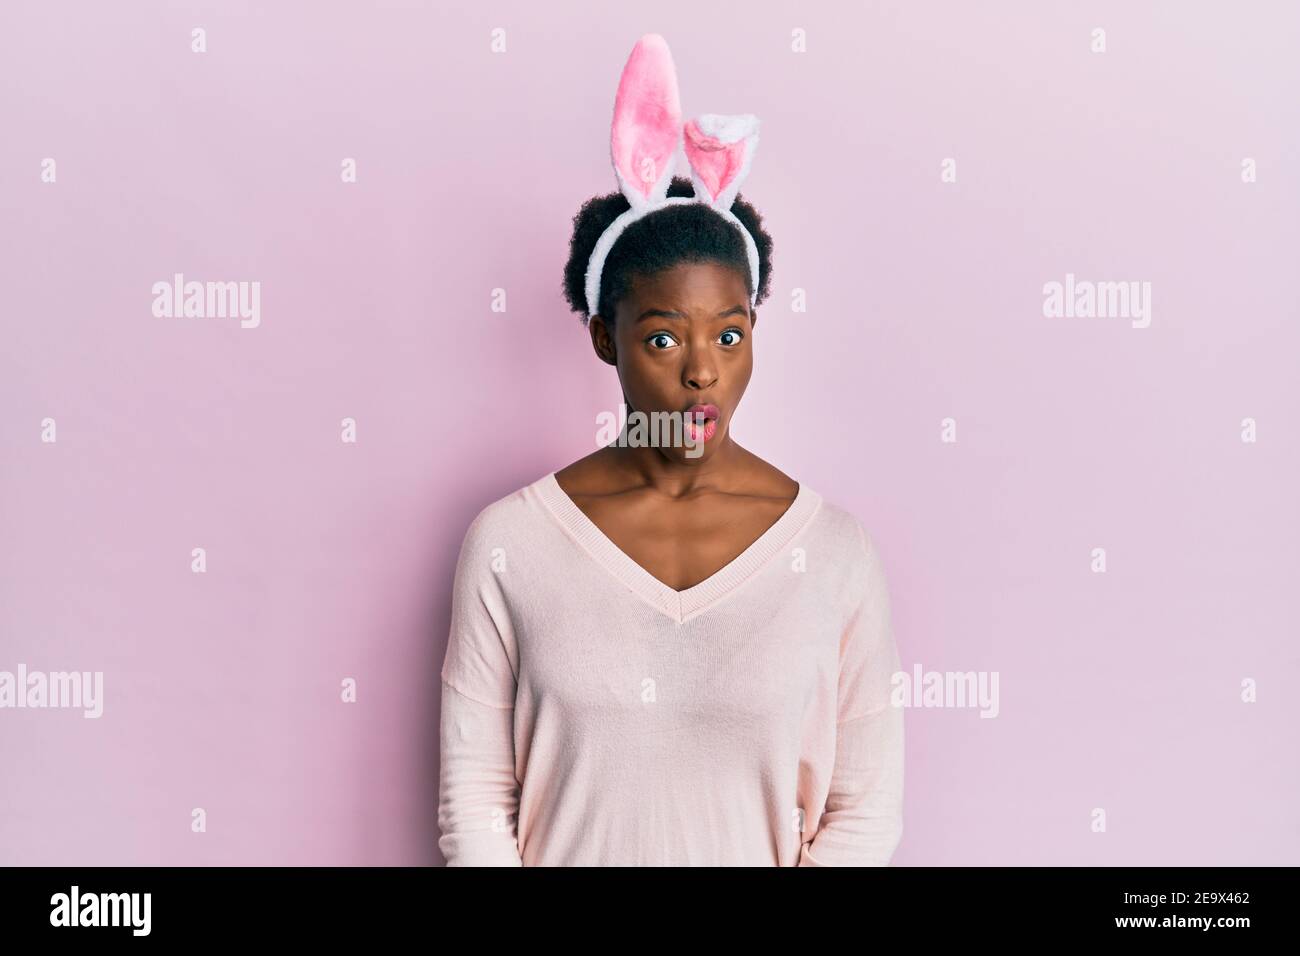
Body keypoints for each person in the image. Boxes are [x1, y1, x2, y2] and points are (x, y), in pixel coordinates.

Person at [436, 33, 903, 866]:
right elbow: (476, 800)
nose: (701, 372)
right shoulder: (509, 545)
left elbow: (864, 816)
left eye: (730, 334)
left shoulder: (834, 554)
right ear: (604, 341)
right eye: (661, 339)